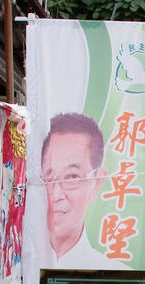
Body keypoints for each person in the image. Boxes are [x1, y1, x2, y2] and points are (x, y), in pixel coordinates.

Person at [40, 112, 108, 266]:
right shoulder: (23, 261)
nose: (56, 194)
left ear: (96, 183)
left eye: (72, 177)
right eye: (49, 177)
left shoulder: (111, 272)